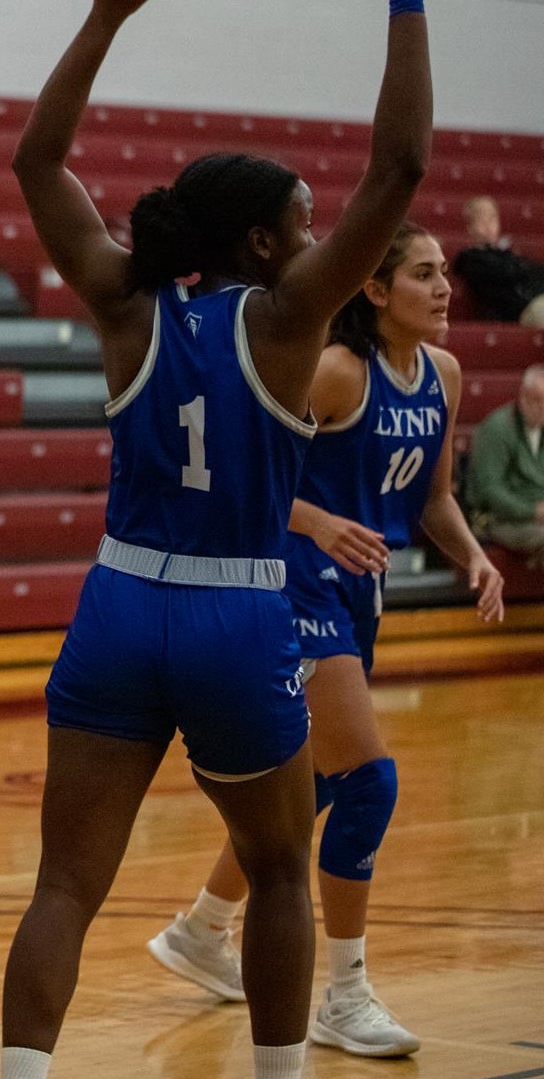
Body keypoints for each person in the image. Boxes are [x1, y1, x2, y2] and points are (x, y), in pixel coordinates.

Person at [0, 2, 431, 1078]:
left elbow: (36, 157)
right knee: (280, 872)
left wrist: (105, 14)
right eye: (302, 216)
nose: (315, 229)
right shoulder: (287, 319)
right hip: (237, 609)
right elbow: (403, 164)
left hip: (121, 599)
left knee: (64, 886)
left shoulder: (123, 302)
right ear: (259, 240)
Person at [147, 223, 503, 1059]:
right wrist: (316, 519)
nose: (445, 286)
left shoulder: (443, 375)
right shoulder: (340, 372)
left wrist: (476, 556)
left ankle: (202, 929)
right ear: (375, 292)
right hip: (292, 581)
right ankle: (344, 995)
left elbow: (433, 497)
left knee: (309, 787)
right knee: (368, 779)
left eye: (446, 271)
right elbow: (244, 471)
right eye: (423, 274)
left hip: (356, 590)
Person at [466, 364, 544, 561]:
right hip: (500, 519)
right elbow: (490, 490)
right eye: (540, 402)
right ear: (524, 397)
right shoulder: (498, 429)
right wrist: (532, 511)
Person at [452, 197, 544, 326]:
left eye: (492, 218)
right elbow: (505, 275)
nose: (488, 224)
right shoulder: (469, 259)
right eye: (481, 219)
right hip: (524, 309)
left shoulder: (508, 254)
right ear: (469, 226)